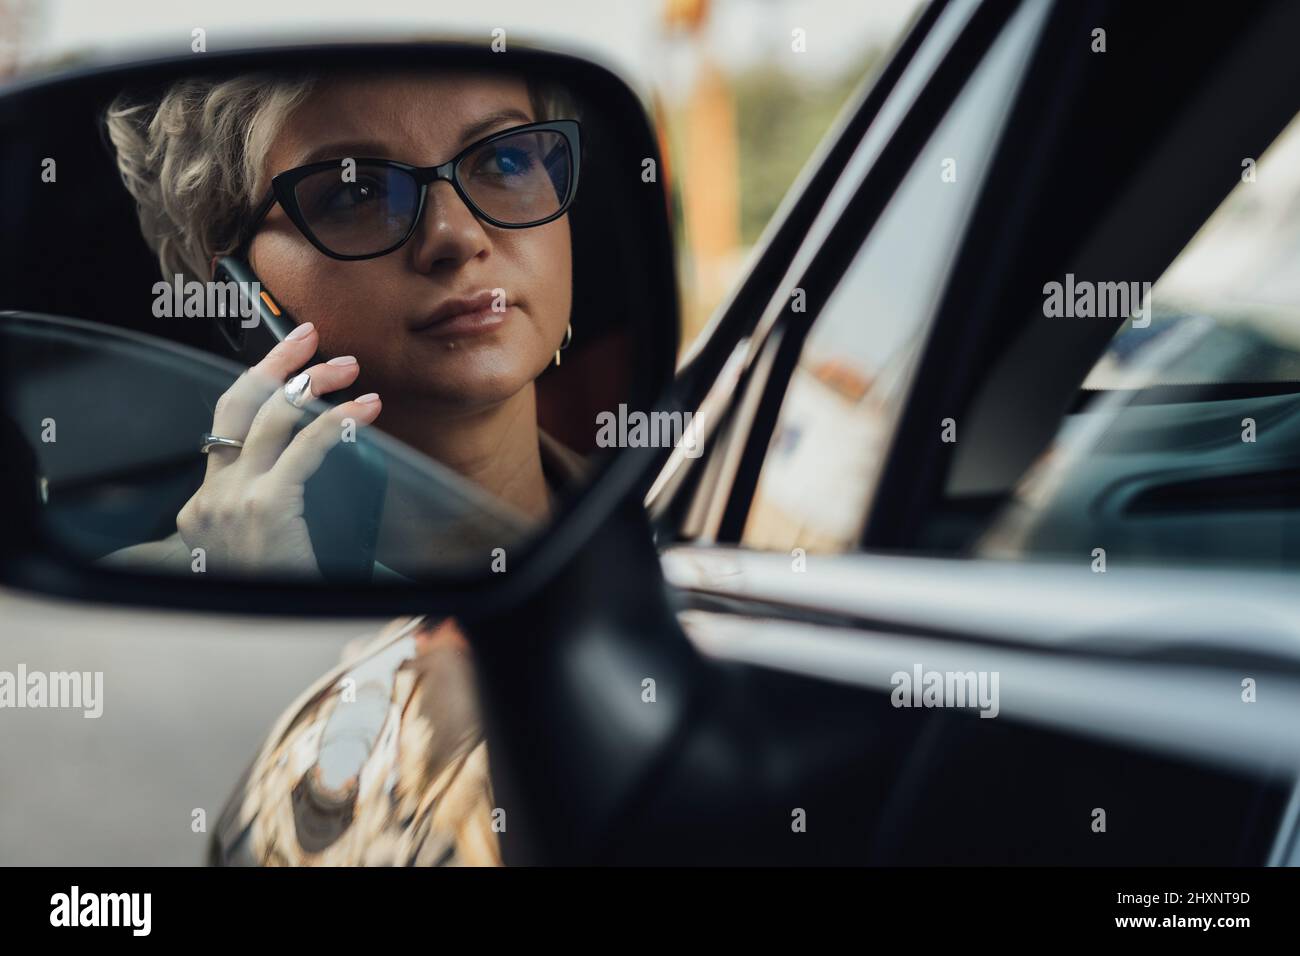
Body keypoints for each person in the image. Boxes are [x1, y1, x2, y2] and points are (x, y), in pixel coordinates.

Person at [102, 68, 589, 864]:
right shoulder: (142, 605)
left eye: (504, 161)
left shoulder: (690, 519)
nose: (457, 237)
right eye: (355, 192)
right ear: (238, 291)